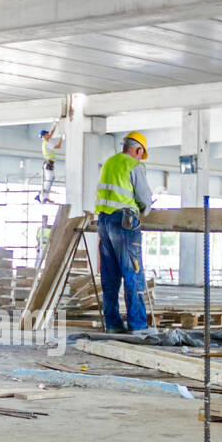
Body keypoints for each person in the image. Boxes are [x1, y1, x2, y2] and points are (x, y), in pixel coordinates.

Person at [94, 131, 153, 333]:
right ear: (138, 150)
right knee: (132, 273)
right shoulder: (134, 165)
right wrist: (144, 210)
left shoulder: (109, 163)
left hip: (103, 222)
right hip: (124, 223)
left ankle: (112, 324)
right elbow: (144, 197)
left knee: (110, 276)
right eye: (140, 153)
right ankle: (138, 325)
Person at [35, 123, 62, 202]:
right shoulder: (47, 144)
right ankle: (43, 196)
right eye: (47, 134)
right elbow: (58, 146)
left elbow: (51, 134)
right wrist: (61, 138)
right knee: (49, 180)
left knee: (50, 179)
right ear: (44, 136)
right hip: (49, 164)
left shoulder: (45, 142)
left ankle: (41, 194)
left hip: (49, 164)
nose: (49, 135)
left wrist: (55, 125)